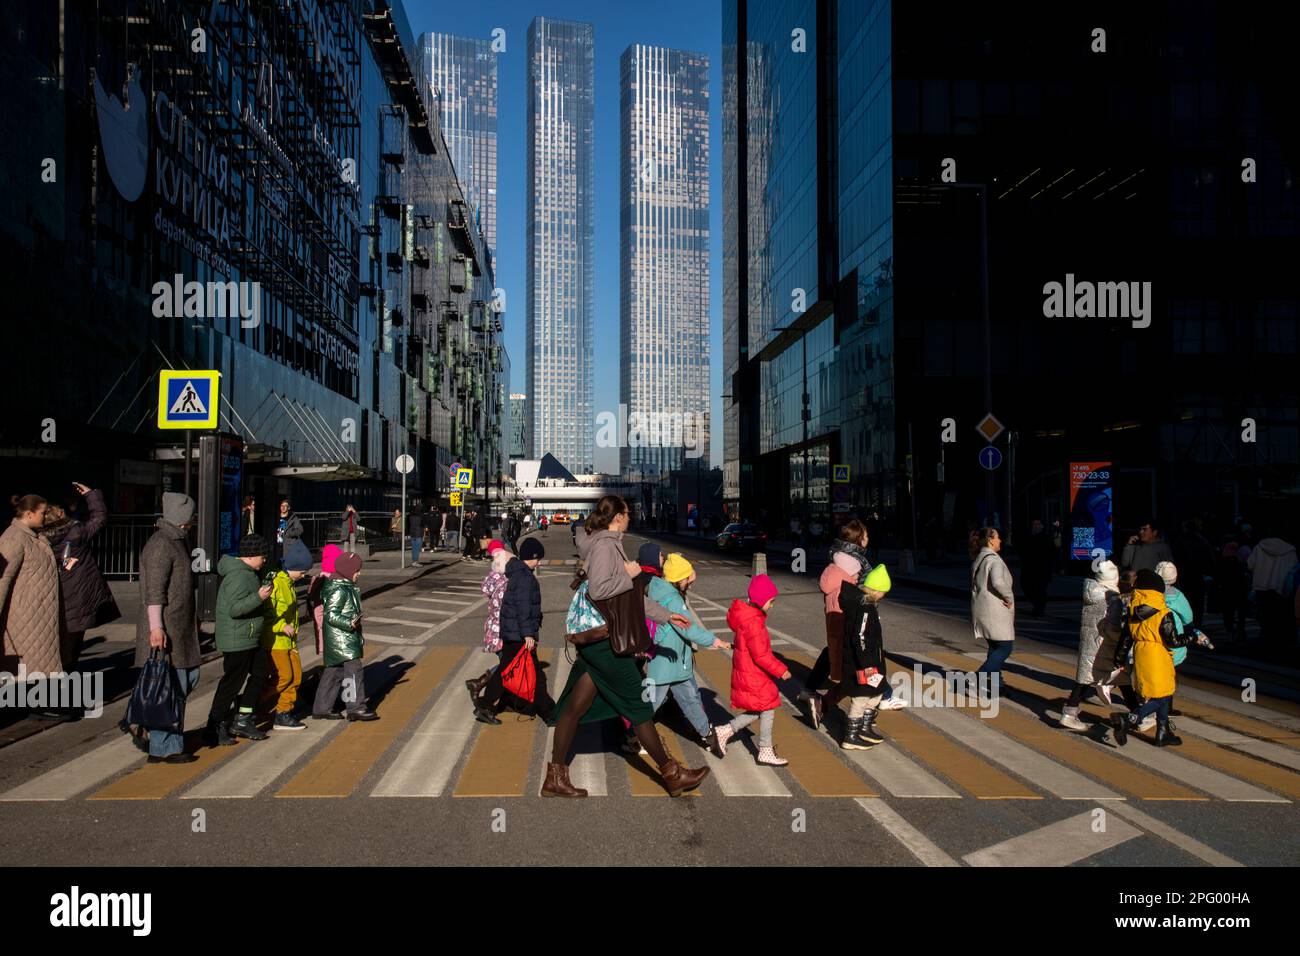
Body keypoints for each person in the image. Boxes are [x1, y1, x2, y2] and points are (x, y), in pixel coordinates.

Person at [544, 495, 706, 798]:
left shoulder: (605, 543)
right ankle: (672, 774)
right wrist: (628, 573)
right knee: (638, 705)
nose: (631, 517)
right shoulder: (605, 545)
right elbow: (602, 589)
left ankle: (555, 778)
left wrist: (666, 615)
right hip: (605, 641)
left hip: (598, 637)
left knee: (573, 709)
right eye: (628, 513)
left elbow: (628, 599)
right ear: (617, 517)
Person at [135, 493, 201, 762]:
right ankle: (164, 746)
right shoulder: (161, 545)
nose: (193, 521)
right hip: (167, 630)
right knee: (168, 688)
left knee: (183, 682)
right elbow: (154, 591)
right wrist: (155, 627)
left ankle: (164, 740)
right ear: (182, 517)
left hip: (179, 628)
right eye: (191, 516)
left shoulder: (176, 541)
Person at [647, 554, 731, 749]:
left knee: (690, 699)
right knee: (650, 705)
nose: (689, 584)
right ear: (678, 579)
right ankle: (633, 737)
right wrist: (715, 641)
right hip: (666, 663)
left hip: (675, 662)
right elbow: (689, 628)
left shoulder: (660, 589)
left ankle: (707, 734)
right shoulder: (674, 600)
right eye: (687, 580)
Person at [472, 537, 555, 722]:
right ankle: (550, 713)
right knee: (526, 676)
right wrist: (528, 634)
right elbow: (523, 607)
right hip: (519, 634)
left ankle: (489, 705)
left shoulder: (517, 572)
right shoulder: (524, 576)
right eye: (538, 558)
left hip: (513, 631)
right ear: (531, 557)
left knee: (511, 673)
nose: (539, 562)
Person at [710, 574, 790, 766]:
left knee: (760, 709)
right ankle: (764, 749)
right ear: (762, 601)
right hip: (754, 675)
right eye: (771, 601)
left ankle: (726, 732)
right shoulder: (754, 623)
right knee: (767, 708)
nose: (772, 605)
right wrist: (781, 670)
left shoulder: (749, 618)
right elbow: (761, 655)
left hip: (750, 673)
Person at [41, 482, 120, 672]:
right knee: (72, 649)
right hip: (79, 599)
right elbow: (99, 518)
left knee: (54, 647)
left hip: (52, 598)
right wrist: (91, 495)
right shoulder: (77, 532)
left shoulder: (39, 541)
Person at [206, 535, 275, 745]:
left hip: (248, 636)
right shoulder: (239, 576)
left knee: (260, 672)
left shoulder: (248, 574)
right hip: (237, 639)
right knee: (231, 684)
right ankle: (215, 725)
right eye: (262, 556)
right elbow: (235, 609)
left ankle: (243, 718)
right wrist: (259, 597)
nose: (264, 560)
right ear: (251, 556)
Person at [1111, 569, 1192, 747]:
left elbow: (1126, 638)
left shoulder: (1134, 609)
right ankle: (1130, 718)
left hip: (1141, 654)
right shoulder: (1163, 612)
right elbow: (1173, 641)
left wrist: (1119, 659)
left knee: (1161, 693)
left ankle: (1163, 732)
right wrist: (1191, 637)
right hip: (1158, 656)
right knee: (1161, 697)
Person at [0, 495, 62, 719]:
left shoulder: (35, 537)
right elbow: (3, 578)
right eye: (42, 512)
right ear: (28, 514)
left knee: (39, 660)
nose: (46, 516)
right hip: (24, 614)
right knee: (29, 662)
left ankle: (39, 704)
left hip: (39, 613)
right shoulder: (13, 538)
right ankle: (34, 706)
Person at [1057, 560, 1137, 730]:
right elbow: (1113, 628)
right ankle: (1138, 714)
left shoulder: (1092, 593)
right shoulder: (1111, 599)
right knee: (1122, 678)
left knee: (1085, 679)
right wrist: (1123, 641)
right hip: (1105, 646)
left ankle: (1069, 713)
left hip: (1089, 644)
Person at [313, 551, 378, 721]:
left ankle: (322, 707)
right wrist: (349, 623)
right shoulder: (340, 589)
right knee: (354, 672)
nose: (359, 573)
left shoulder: (343, 585)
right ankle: (356, 707)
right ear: (348, 571)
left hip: (340, 638)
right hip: (343, 638)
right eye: (357, 570)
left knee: (333, 671)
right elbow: (331, 615)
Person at [837, 564, 893, 749]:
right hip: (863, 663)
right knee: (861, 697)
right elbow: (859, 637)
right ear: (876, 591)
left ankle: (864, 727)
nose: (884, 596)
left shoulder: (869, 606)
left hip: (872, 660)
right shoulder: (865, 609)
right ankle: (851, 735)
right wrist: (867, 664)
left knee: (877, 692)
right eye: (884, 592)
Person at [803, 551, 860, 728]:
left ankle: (820, 703)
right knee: (858, 680)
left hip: (837, 641)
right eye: (856, 573)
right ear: (847, 573)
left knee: (852, 680)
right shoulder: (845, 593)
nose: (858, 577)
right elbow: (848, 621)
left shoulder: (834, 586)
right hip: (846, 642)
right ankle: (855, 727)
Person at [260, 540, 313, 731]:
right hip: (276, 641)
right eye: (302, 571)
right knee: (284, 677)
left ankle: (283, 712)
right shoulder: (277, 583)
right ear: (293, 567)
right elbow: (269, 612)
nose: (304, 575)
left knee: (296, 677)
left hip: (289, 641)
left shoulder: (288, 583)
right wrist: (282, 626)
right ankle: (255, 702)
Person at [466, 540, 511, 706]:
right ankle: (480, 684)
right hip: (503, 628)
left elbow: (485, 592)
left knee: (507, 663)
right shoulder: (506, 574)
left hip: (493, 627)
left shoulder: (492, 576)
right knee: (508, 664)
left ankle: (483, 685)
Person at [971, 527, 1016, 677]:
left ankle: (997, 686)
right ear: (990, 540)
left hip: (982, 610)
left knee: (994, 646)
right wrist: (1008, 598)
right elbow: (997, 582)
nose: (1000, 540)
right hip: (995, 610)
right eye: (997, 537)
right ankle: (979, 677)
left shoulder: (980, 558)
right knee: (1005, 647)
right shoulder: (993, 560)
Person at [1248, 536, 1298, 648]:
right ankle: (1276, 638)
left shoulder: (1260, 547)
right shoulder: (1290, 550)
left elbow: (1250, 564)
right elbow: (1293, 569)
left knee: (1263, 613)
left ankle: (1265, 636)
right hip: (1280, 586)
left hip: (1261, 586)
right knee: (1278, 613)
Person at [307, 543, 342, 655]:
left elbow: (310, 595)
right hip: (334, 628)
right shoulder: (339, 581)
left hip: (322, 624)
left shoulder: (318, 579)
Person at [1019, 518, 1055, 617]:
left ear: (1042, 526)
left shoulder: (1046, 538)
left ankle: (1039, 609)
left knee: (1040, 591)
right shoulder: (1028, 537)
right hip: (1029, 569)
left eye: (1038, 524)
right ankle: (1037, 607)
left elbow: (1052, 554)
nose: (1036, 526)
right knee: (1028, 588)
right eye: (1034, 524)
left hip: (1042, 570)